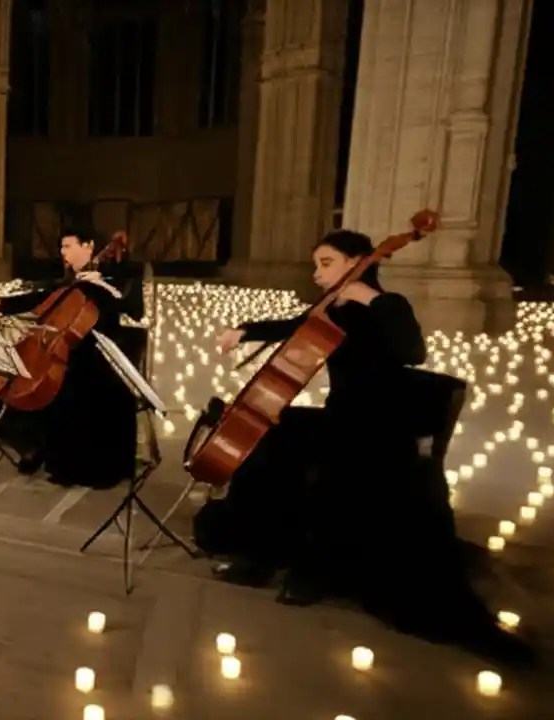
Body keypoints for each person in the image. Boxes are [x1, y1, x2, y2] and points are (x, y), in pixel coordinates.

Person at [194, 229, 533, 666]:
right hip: (342, 416)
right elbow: (295, 325)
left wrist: (364, 294)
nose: (317, 274)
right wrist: (243, 331)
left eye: (327, 263)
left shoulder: (386, 306)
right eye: (317, 264)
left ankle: (314, 570)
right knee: (269, 436)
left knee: (325, 464)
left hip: (379, 427)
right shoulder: (334, 311)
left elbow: (413, 349)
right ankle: (261, 551)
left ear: (359, 262)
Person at [0, 229, 145, 488]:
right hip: (72, 349)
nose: (62, 253)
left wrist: (103, 286)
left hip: (104, 353)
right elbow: (47, 297)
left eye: (67, 246)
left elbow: (134, 310)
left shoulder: (123, 272)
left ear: (89, 246)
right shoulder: (73, 279)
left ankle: (60, 456)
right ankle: (36, 447)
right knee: (35, 374)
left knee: (67, 384)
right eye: (61, 248)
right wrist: (2, 304)